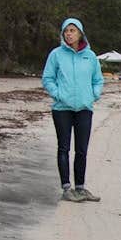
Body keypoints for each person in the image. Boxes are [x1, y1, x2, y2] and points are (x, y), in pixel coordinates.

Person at [42, 17, 104, 201]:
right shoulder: (56, 54)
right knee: (64, 148)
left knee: (82, 150)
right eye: (66, 31)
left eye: (72, 30)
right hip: (62, 108)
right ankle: (66, 188)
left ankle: (81, 187)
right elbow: (47, 78)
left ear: (80, 33)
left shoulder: (90, 56)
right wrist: (58, 94)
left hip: (84, 107)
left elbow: (98, 80)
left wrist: (93, 95)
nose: (69, 34)